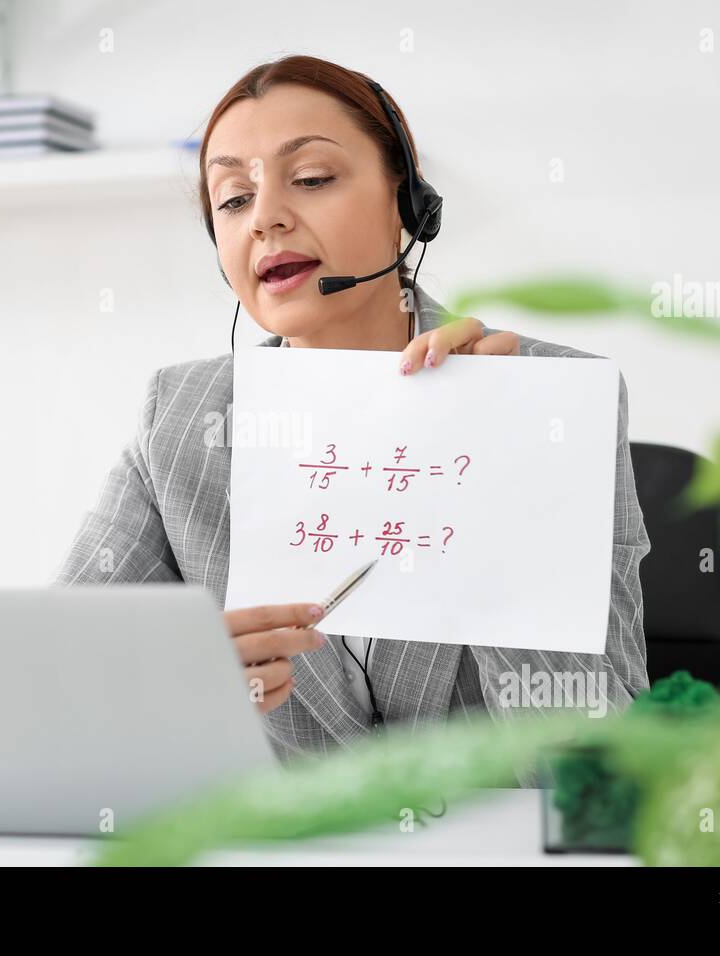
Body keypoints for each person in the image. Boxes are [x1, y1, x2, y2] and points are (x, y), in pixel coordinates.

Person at [54, 54, 651, 765]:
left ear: (406, 203)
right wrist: (179, 686)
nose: (267, 219)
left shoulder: (547, 398)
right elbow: (58, 682)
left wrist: (499, 479)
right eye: (234, 199)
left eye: (310, 179)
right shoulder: (182, 420)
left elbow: (604, 747)